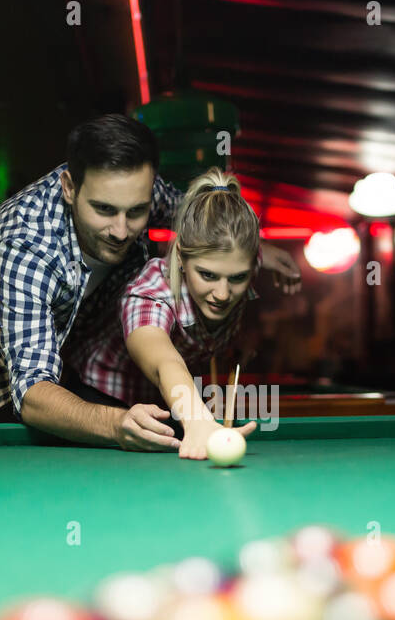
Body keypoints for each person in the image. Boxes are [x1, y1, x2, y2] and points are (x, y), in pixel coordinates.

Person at [0, 114, 301, 451]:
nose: (120, 230)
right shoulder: (26, 246)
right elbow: (31, 393)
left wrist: (257, 250)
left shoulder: (142, 195)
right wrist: (115, 424)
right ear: (69, 188)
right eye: (103, 210)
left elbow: (206, 222)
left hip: (60, 366)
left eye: (136, 212)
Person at [67, 169, 261, 459]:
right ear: (181, 257)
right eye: (207, 275)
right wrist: (197, 419)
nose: (222, 293)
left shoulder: (239, 275)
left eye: (237, 278)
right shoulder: (151, 290)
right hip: (99, 401)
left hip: (165, 406)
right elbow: (163, 361)